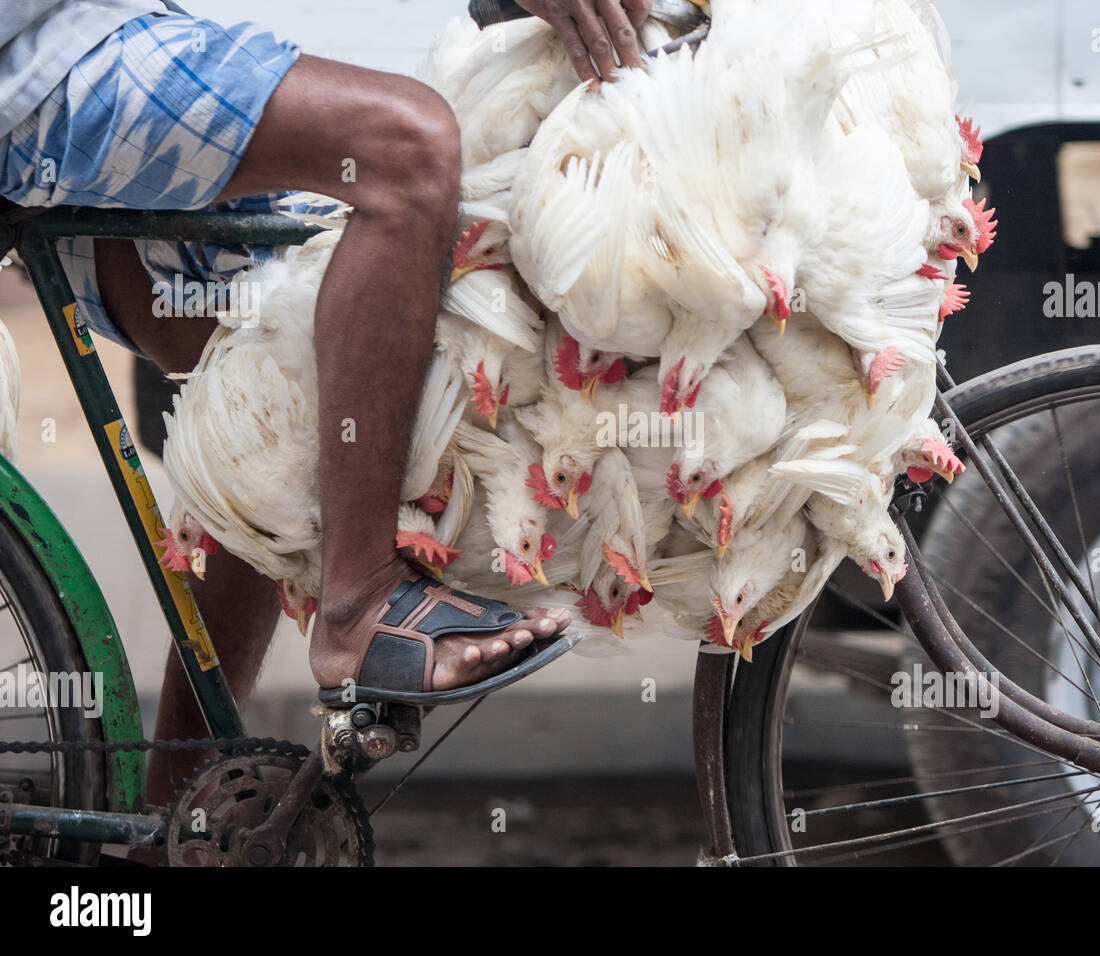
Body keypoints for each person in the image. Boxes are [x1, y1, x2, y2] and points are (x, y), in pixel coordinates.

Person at [0, 0, 651, 810]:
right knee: (408, 145)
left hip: (78, 34)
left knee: (274, 355)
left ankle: (172, 816)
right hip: (38, 56)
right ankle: (360, 608)